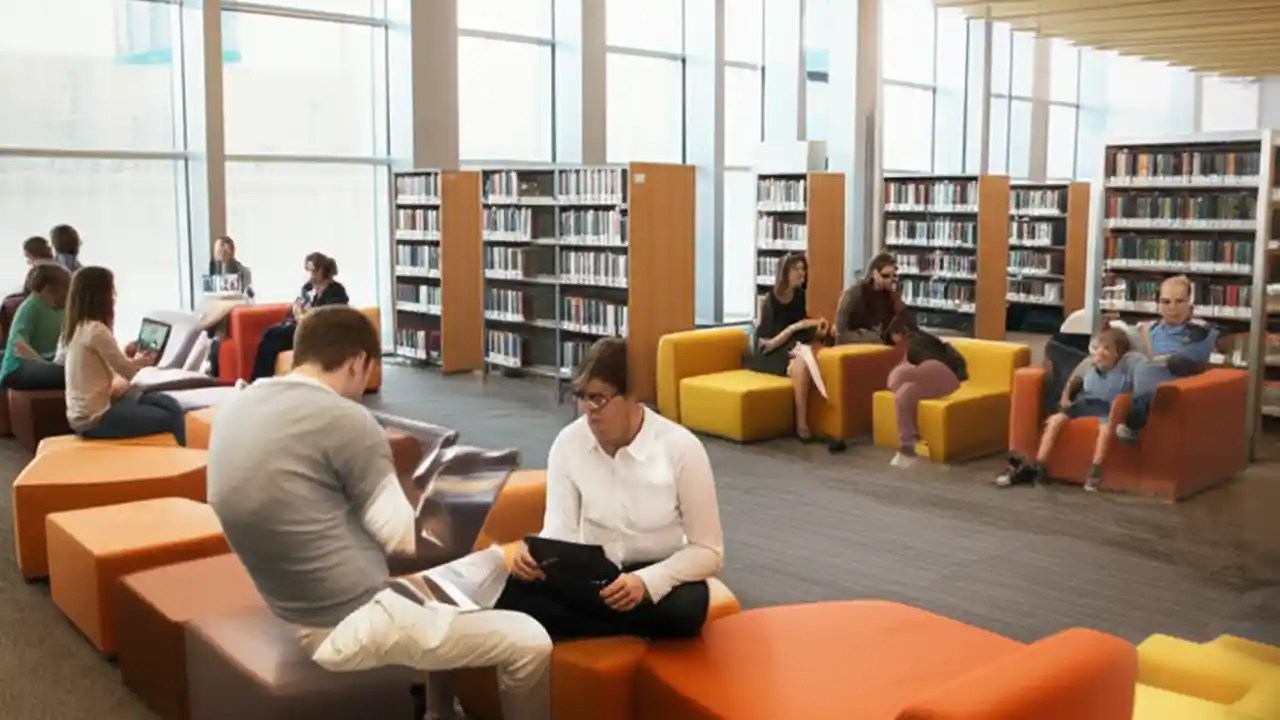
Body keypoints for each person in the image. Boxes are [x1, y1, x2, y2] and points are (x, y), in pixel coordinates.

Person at [207, 306, 551, 720]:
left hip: (292, 601)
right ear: (358, 362)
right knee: (531, 641)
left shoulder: (242, 404)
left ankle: (441, 712)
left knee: (493, 564)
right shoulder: (346, 420)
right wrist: (469, 486)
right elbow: (413, 544)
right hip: (349, 622)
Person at [498, 337, 725, 641]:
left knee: (686, 610)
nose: (588, 410)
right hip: (591, 573)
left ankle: (583, 627)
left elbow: (709, 551)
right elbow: (559, 530)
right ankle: (623, 627)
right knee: (510, 591)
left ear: (633, 396)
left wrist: (646, 582)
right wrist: (538, 554)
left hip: (656, 570)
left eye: (599, 399)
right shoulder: (568, 443)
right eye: (581, 397)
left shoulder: (682, 448)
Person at [998, 328, 1142, 492]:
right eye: (1099, 347)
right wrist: (1065, 398)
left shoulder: (1126, 369)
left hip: (1107, 408)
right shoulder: (1089, 363)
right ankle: (1040, 465)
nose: (1101, 352)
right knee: (1054, 421)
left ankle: (1095, 469)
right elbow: (1074, 380)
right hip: (1084, 403)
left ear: (1119, 353)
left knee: (1104, 429)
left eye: (1107, 348)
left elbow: (1134, 389)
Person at [62, 266, 187, 445]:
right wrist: (145, 362)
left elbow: (113, 368)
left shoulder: (79, 328)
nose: (114, 297)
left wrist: (129, 357)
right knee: (172, 415)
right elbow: (129, 373)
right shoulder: (97, 330)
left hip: (84, 413)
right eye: (111, 292)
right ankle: (179, 461)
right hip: (95, 419)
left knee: (168, 403)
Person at [1115, 275, 1218, 442]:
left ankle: (1136, 417)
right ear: (1159, 305)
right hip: (1138, 374)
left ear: (1189, 304)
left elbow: (1188, 362)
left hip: (1172, 378)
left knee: (1144, 364)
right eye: (1166, 302)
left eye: (1179, 301)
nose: (1173, 308)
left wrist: (1150, 353)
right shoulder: (1149, 328)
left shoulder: (1200, 331)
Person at [747, 253, 830, 440]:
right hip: (769, 353)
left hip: (790, 347)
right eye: (796, 269)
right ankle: (801, 424)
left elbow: (798, 330)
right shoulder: (771, 300)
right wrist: (797, 327)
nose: (802, 273)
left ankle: (802, 424)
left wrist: (816, 331)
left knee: (801, 364)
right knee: (802, 358)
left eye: (803, 269)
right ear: (785, 273)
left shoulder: (799, 296)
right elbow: (766, 343)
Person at [249, 251, 349, 381]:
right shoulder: (307, 289)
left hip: (317, 333)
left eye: (312, 270)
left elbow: (329, 317)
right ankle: (260, 380)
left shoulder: (336, 290)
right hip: (300, 328)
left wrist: (304, 317)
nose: (309, 274)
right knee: (270, 335)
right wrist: (295, 313)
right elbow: (294, 311)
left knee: (273, 336)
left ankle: (260, 380)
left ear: (322, 271)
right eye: (307, 270)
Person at [884, 316, 968, 468]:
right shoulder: (923, 339)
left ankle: (908, 445)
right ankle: (908, 446)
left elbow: (929, 365)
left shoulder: (915, 345)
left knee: (898, 378)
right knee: (904, 392)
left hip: (944, 374)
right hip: (944, 375)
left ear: (899, 334)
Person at [1, 263, 70, 391]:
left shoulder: (60, 308)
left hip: (47, 362)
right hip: (18, 369)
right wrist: (42, 362)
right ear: (47, 289)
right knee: (69, 375)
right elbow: (18, 344)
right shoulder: (31, 306)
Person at [834, 252, 911, 344]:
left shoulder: (890, 296)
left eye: (894, 276)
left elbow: (902, 324)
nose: (890, 280)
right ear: (874, 274)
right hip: (853, 342)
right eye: (885, 276)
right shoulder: (855, 293)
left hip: (877, 342)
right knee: (874, 339)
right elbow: (840, 331)